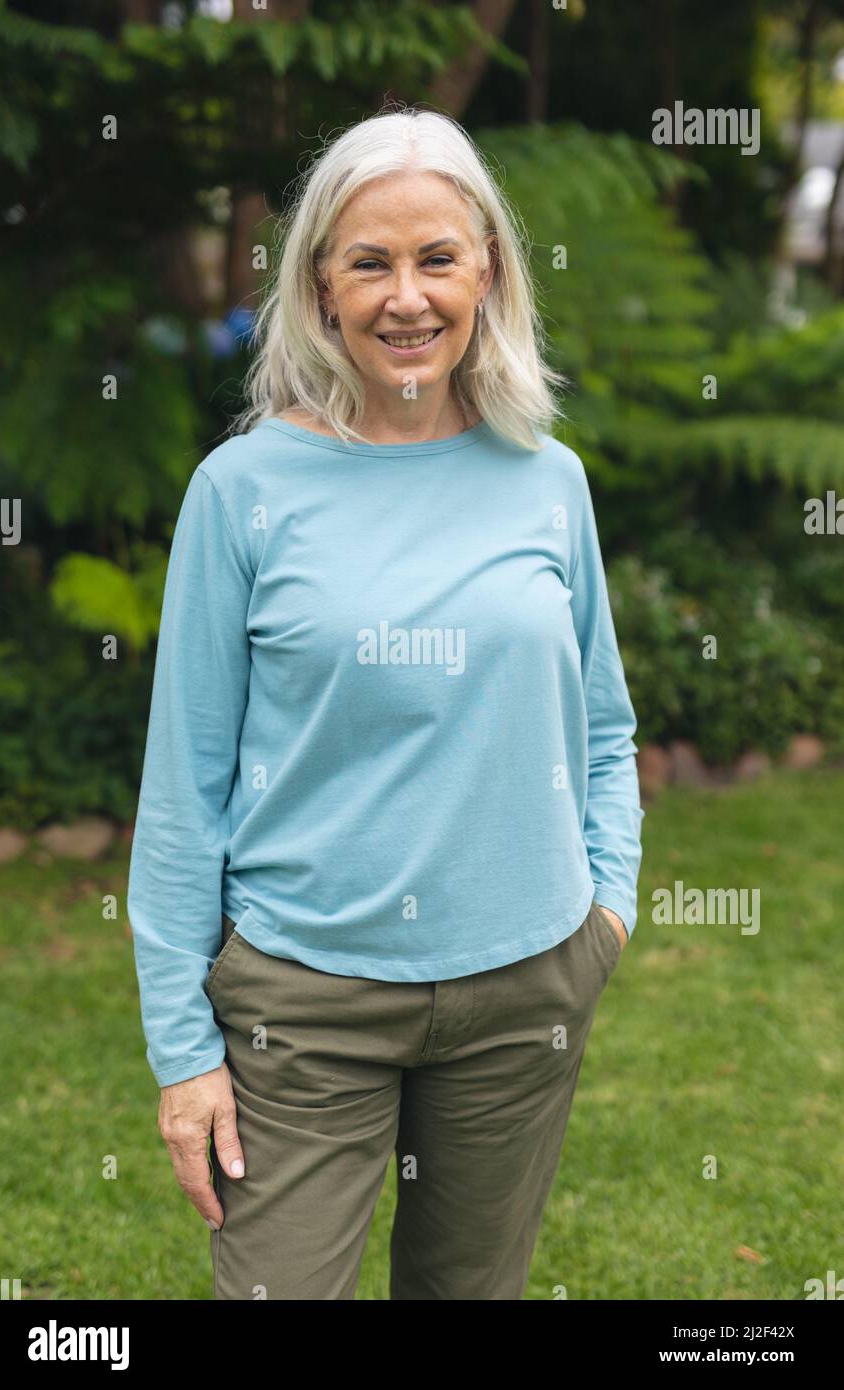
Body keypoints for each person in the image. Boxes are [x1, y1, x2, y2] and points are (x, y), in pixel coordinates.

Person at [127, 105, 644, 1301]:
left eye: (436, 258)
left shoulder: (545, 478)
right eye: (369, 262)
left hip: (525, 988)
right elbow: (184, 786)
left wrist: (601, 911)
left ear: (487, 273)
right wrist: (180, 1050)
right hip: (301, 1002)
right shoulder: (241, 490)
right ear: (318, 286)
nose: (404, 297)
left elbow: (603, 728)